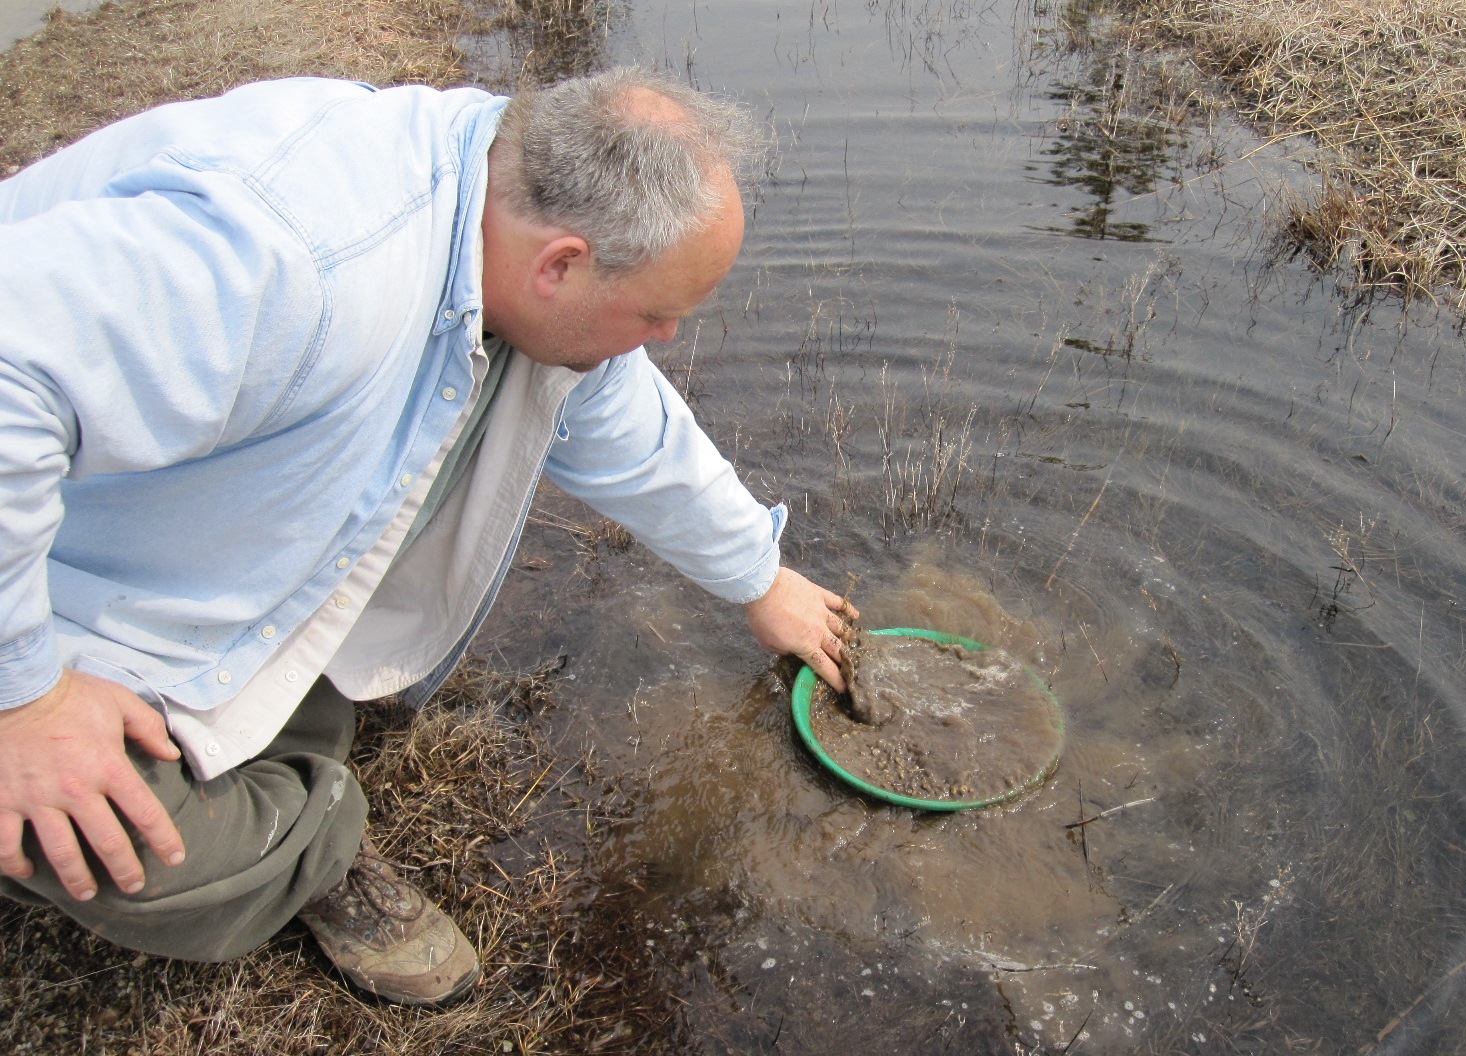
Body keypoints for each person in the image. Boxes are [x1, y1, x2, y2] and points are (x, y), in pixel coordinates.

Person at [0, 68, 857, 1006]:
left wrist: (757, 577)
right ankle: (314, 847)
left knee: (291, 684)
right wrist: (26, 699)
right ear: (562, 265)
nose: (662, 335)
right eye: (655, 315)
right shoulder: (304, 259)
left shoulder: (497, 198)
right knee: (100, 832)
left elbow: (625, 423)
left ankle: (252, 736)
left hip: (106, 538)